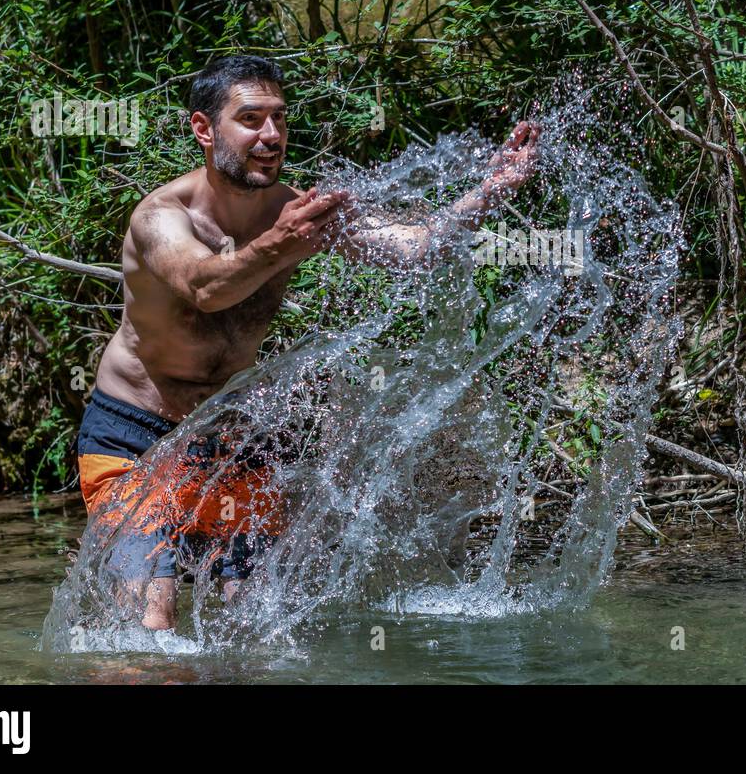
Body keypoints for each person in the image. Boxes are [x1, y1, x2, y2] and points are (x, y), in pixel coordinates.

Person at [73, 54, 539, 630]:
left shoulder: (293, 211)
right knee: (151, 620)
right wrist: (278, 244)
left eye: (279, 120)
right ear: (204, 129)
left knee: (255, 627)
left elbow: (413, 249)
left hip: (230, 433)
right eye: (250, 120)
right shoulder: (163, 218)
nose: (270, 136)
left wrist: (489, 192)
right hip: (132, 435)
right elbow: (204, 287)